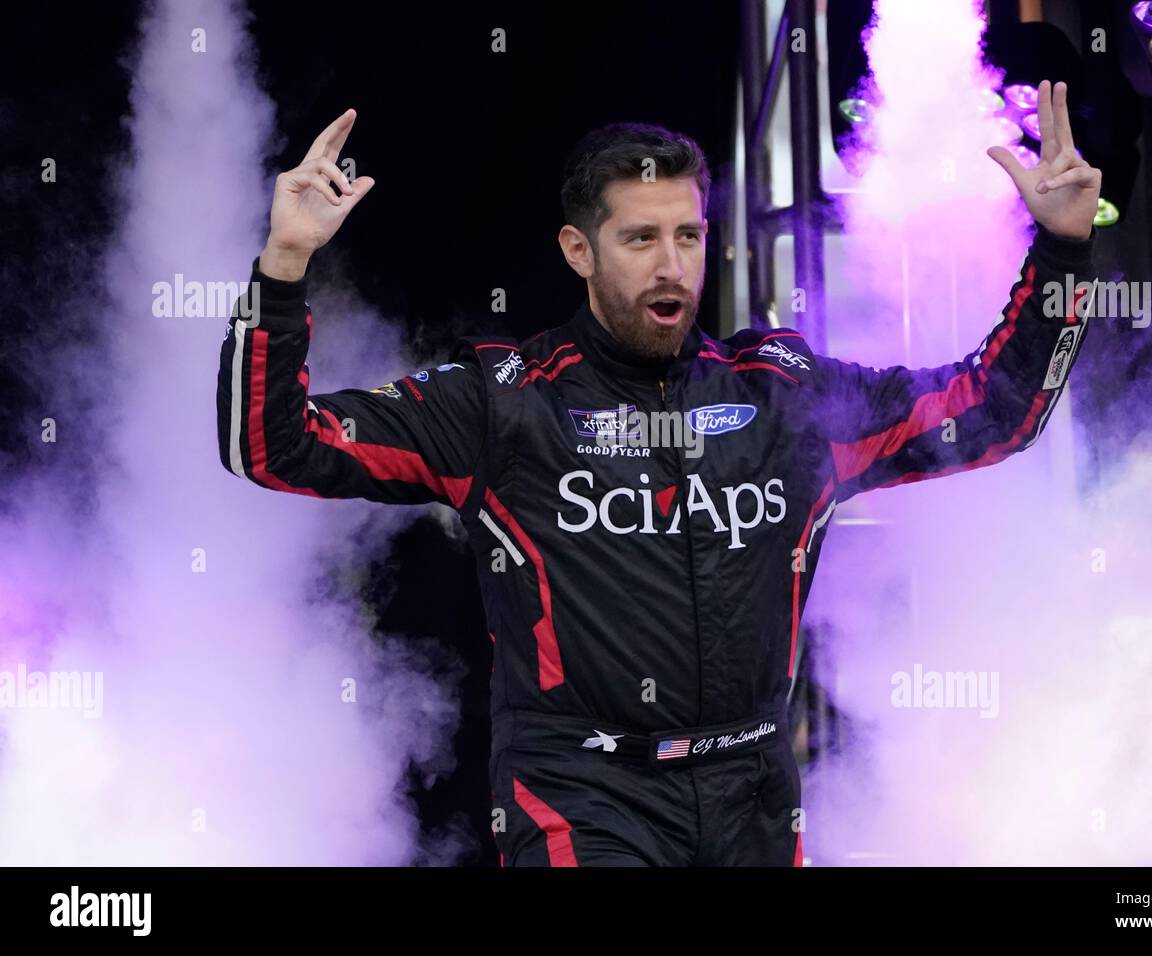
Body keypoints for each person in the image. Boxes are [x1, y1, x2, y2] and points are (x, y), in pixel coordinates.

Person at [217, 80, 1100, 866]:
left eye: (687, 234)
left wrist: (1062, 249)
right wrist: (285, 266)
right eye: (639, 238)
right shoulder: (503, 401)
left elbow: (994, 413)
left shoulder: (782, 395)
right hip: (582, 796)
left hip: (753, 795)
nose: (671, 263)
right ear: (577, 250)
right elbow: (273, 444)